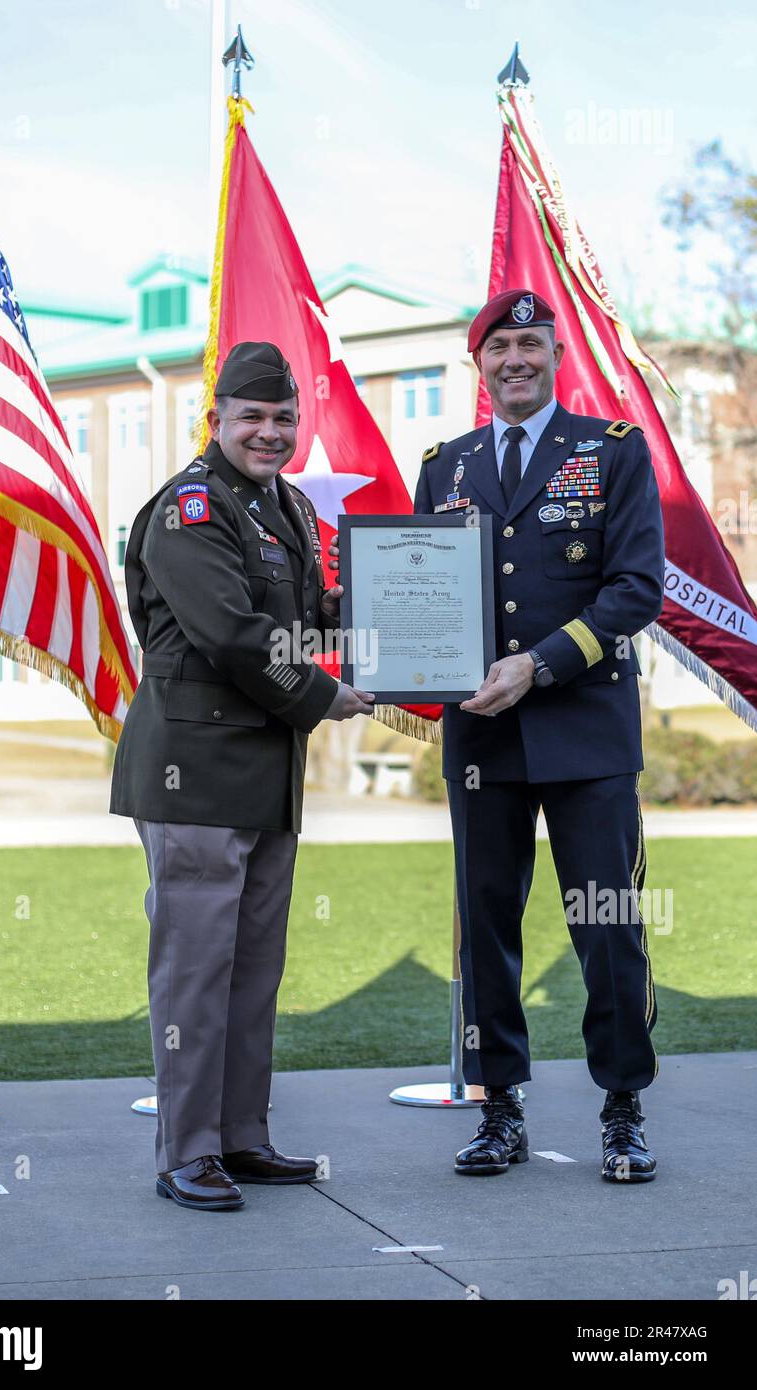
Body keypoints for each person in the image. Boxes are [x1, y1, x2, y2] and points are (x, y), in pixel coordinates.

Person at [329, 288, 664, 1183]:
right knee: (485, 929)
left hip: (586, 730)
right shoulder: (447, 466)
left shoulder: (611, 451)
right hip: (482, 742)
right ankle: (500, 1109)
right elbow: (421, 591)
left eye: (530, 344)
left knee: (607, 927)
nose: (515, 359)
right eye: (498, 348)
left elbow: (635, 590)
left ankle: (623, 1108)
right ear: (476, 366)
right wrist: (388, 655)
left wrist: (539, 665)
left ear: (555, 353)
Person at [111, 341, 373, 1212]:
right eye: (252, 416)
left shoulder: (284, 506)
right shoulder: (191, 508)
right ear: (215, 419)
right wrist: (323, 692)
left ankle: (241, 1137)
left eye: (283, 418)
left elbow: (304, 612)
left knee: (253, 969)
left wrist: (411, 588)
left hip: (262, 773)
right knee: (195, 971)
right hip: (195, 773)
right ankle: (185, 1152)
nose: (270, 431)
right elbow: (229, 632)